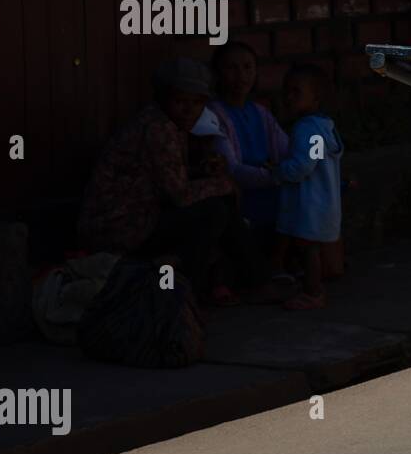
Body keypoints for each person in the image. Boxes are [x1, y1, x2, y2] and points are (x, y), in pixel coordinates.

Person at [77, 58, 273, 305]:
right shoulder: (159, 128)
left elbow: (164, 176)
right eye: (180, 102)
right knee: (214, 211)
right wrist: (225, 184)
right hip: (119, 228)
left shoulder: (167, 124)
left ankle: (230, 281)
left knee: (216, 208)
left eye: (197, 104)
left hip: (142, 216)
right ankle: (205, 288)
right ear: (164, 98)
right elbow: (178, 194)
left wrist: (203, 172)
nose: (188, 110)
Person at [271, 64, 344, 311]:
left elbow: (303, 165)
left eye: (296, 92)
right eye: (286, 91)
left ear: (316, 98)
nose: (289, 97)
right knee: (309, 249)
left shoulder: (306, 128)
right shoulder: (324, 126)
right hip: (323, 203)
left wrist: (278, 171)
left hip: (311, 206)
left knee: (307, 249)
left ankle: (314, 293)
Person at [208, 41, 289, 243]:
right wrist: (278, 176)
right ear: (217, 73)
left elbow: (286, 151)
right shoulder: (213, 114)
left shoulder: (261, 113)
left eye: (247, 67)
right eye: (231, 68)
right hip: (242, 194)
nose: (241, 76)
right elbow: (232, 169)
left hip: (271, 183)